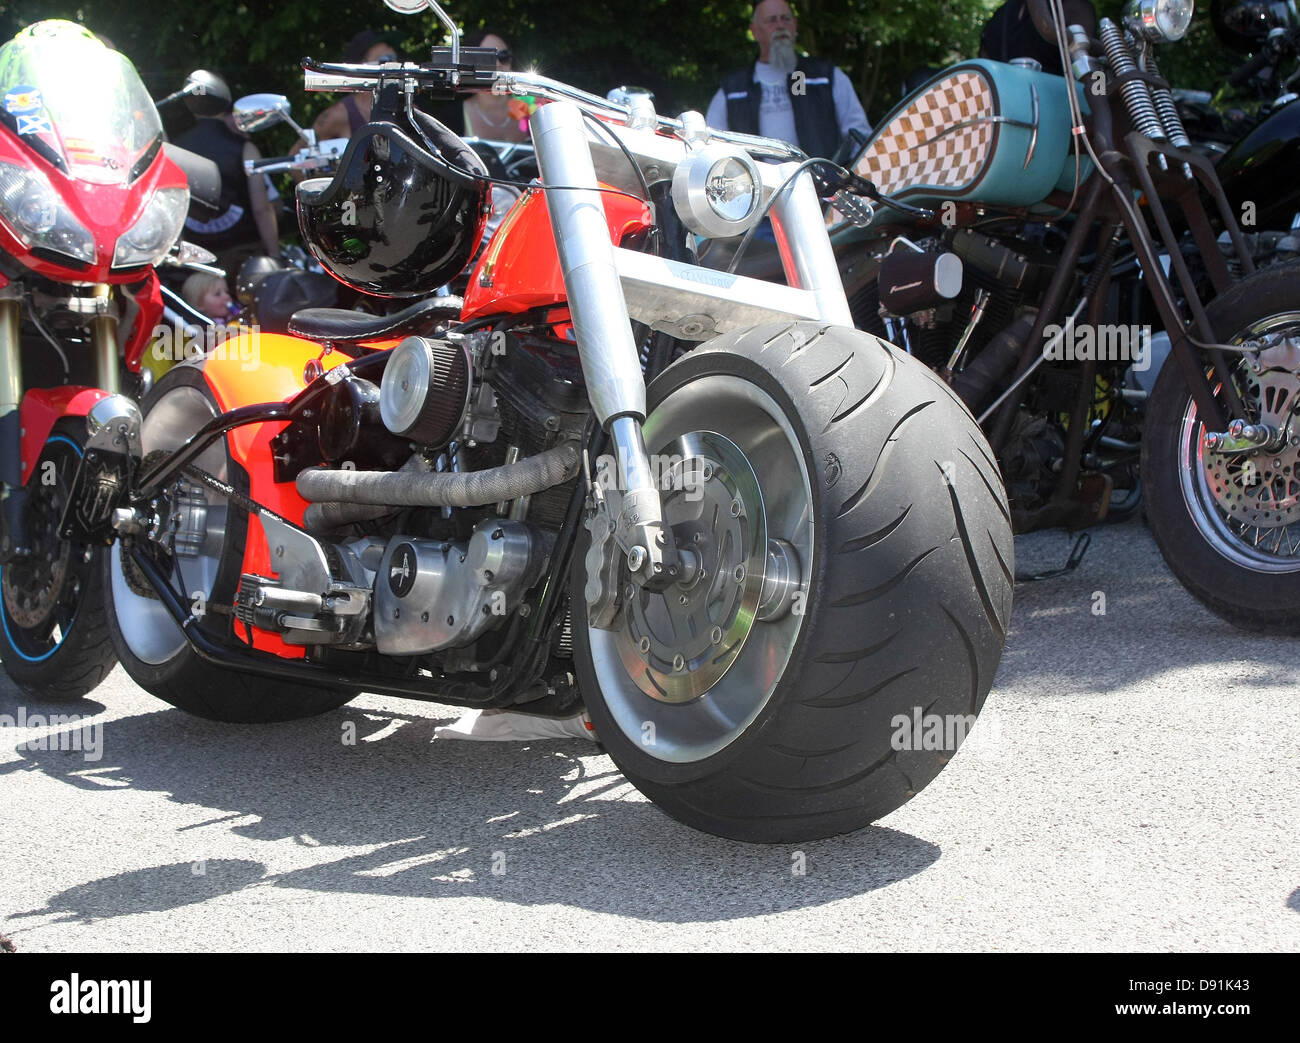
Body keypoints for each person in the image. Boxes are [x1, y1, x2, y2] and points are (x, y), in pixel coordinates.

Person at [705, 0, 870, 159]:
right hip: (759, 186)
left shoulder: (824, 78)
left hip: (820, 185)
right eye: (771, 20)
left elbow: (859, 139)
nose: (780, 25)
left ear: (795, 25)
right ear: (755, 31)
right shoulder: (734, 90)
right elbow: (710, 146)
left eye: (785, 18)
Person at [173, 75, 279, 279]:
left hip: (198, 259)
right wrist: (275, 255)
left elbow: (173, 207)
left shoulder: (174, 150)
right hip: (245, 255)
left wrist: (181, 256)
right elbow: (261, 208)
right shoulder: (245, 148)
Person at [299, 30, 400, 144]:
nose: (396, 67)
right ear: (362, 65)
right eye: (387, 61)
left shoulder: (405, 110)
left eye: (395, 60)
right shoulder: (338, 115)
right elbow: (294, 159)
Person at [979, 0, 1098, 76]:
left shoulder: (1075, 6)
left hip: (1004, 105)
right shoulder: (1000, 17)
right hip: (1066, 109)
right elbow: (1097, 74)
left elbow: (1095, 71)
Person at [459, 31, 530, 143]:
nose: (498, 64)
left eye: (503, 56)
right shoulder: (454, 115)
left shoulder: (531, 108)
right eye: (487, 59)